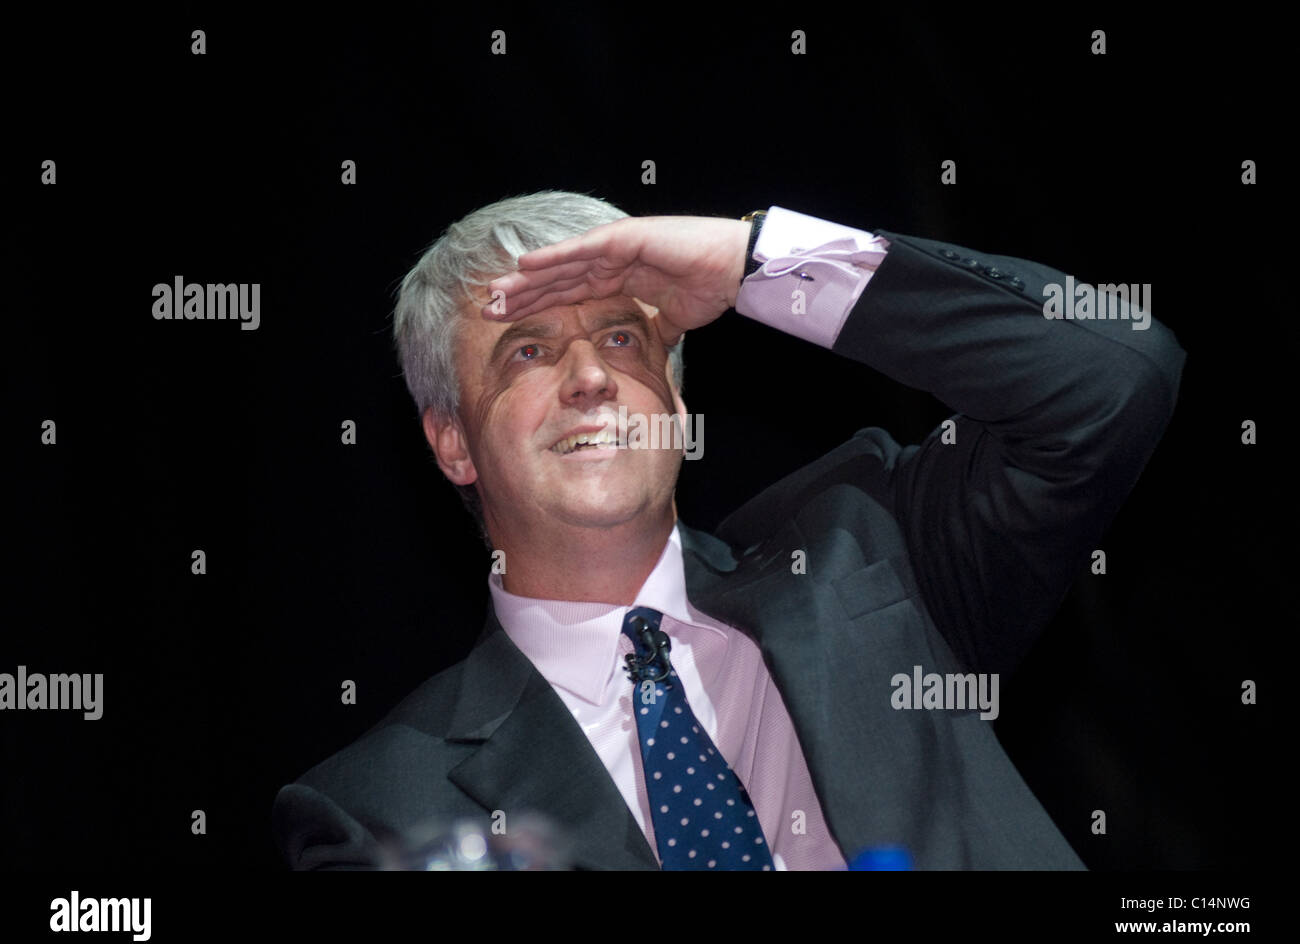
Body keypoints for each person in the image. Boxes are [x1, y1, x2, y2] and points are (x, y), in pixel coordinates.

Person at [272, 191, 1186, 870]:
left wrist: (756, 262)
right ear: (452, 442)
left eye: (624, 339)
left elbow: (1115, 375)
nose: (590, 376)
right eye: (530, 349)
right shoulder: (376, 811)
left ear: (677, 396)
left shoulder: (871, 555)